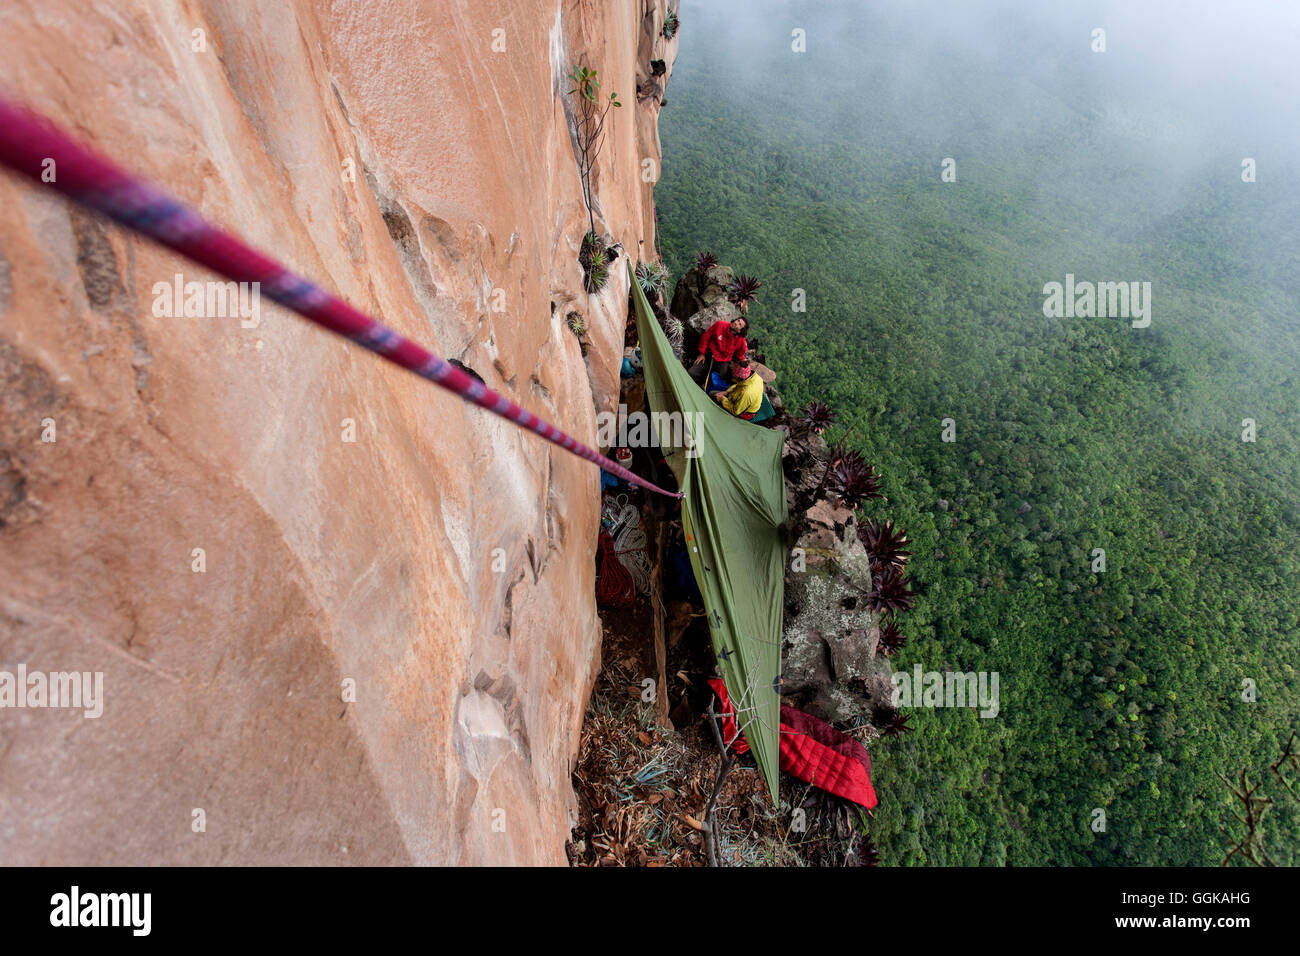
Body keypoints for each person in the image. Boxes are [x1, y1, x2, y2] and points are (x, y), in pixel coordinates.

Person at [690, 314, 747, 383]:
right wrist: (701, 353)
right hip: (709, 356)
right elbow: (706, 337)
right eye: (737, 320)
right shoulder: (720, 325)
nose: (736, 323)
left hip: (723, 361)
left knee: (716, 382)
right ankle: (701, 380)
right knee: (692, 373)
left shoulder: (741, 341)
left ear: (740, 331)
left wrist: (743, 366)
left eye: (739, 324)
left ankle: (705, 383)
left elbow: (740, 355)